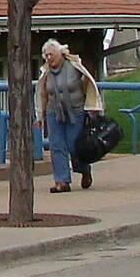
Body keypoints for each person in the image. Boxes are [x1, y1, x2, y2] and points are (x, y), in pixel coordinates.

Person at [36, 39, 102, 192]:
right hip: (54, 111)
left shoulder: (73, 66)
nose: (48, 58)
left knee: (75, 145)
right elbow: (42, 94)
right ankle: (61, 181)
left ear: (60, 54)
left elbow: (88, 82)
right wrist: (40, 116)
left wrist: (92, 107)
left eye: (51, 54)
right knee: (56, 145)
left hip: (75, 110)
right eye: (46, 55)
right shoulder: (46, 73)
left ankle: (84, 170)